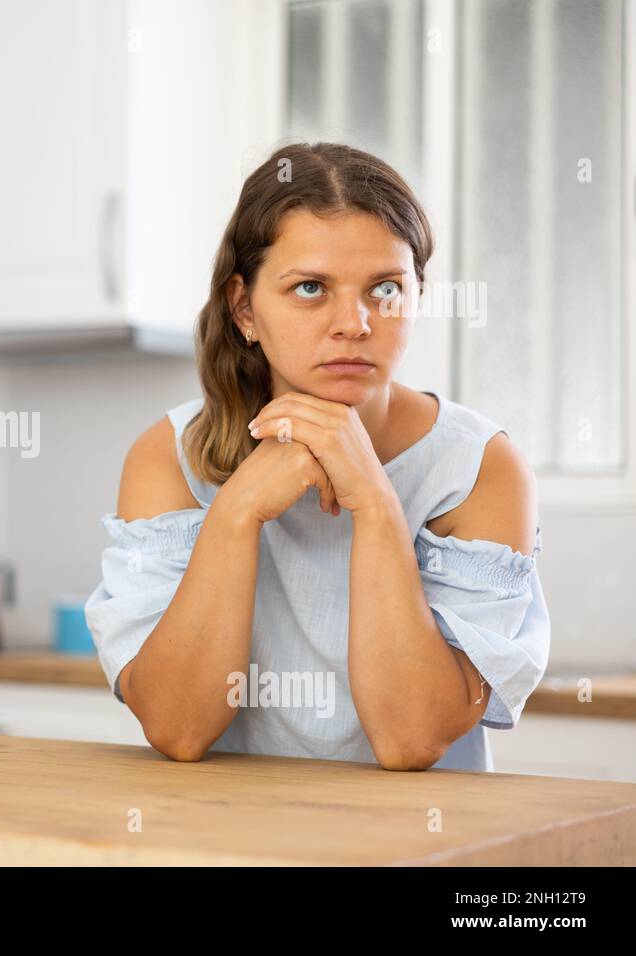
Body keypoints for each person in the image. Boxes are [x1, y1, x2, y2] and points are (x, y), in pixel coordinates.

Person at [86, 142, 548, 771]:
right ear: (244, 307)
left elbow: (412, 740)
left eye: (385, 288)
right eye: (310, 287)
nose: (355, 323)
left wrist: (376, 502)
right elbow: (178, 727)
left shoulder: (480, 468)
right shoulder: (168, 458)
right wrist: (237, 511)